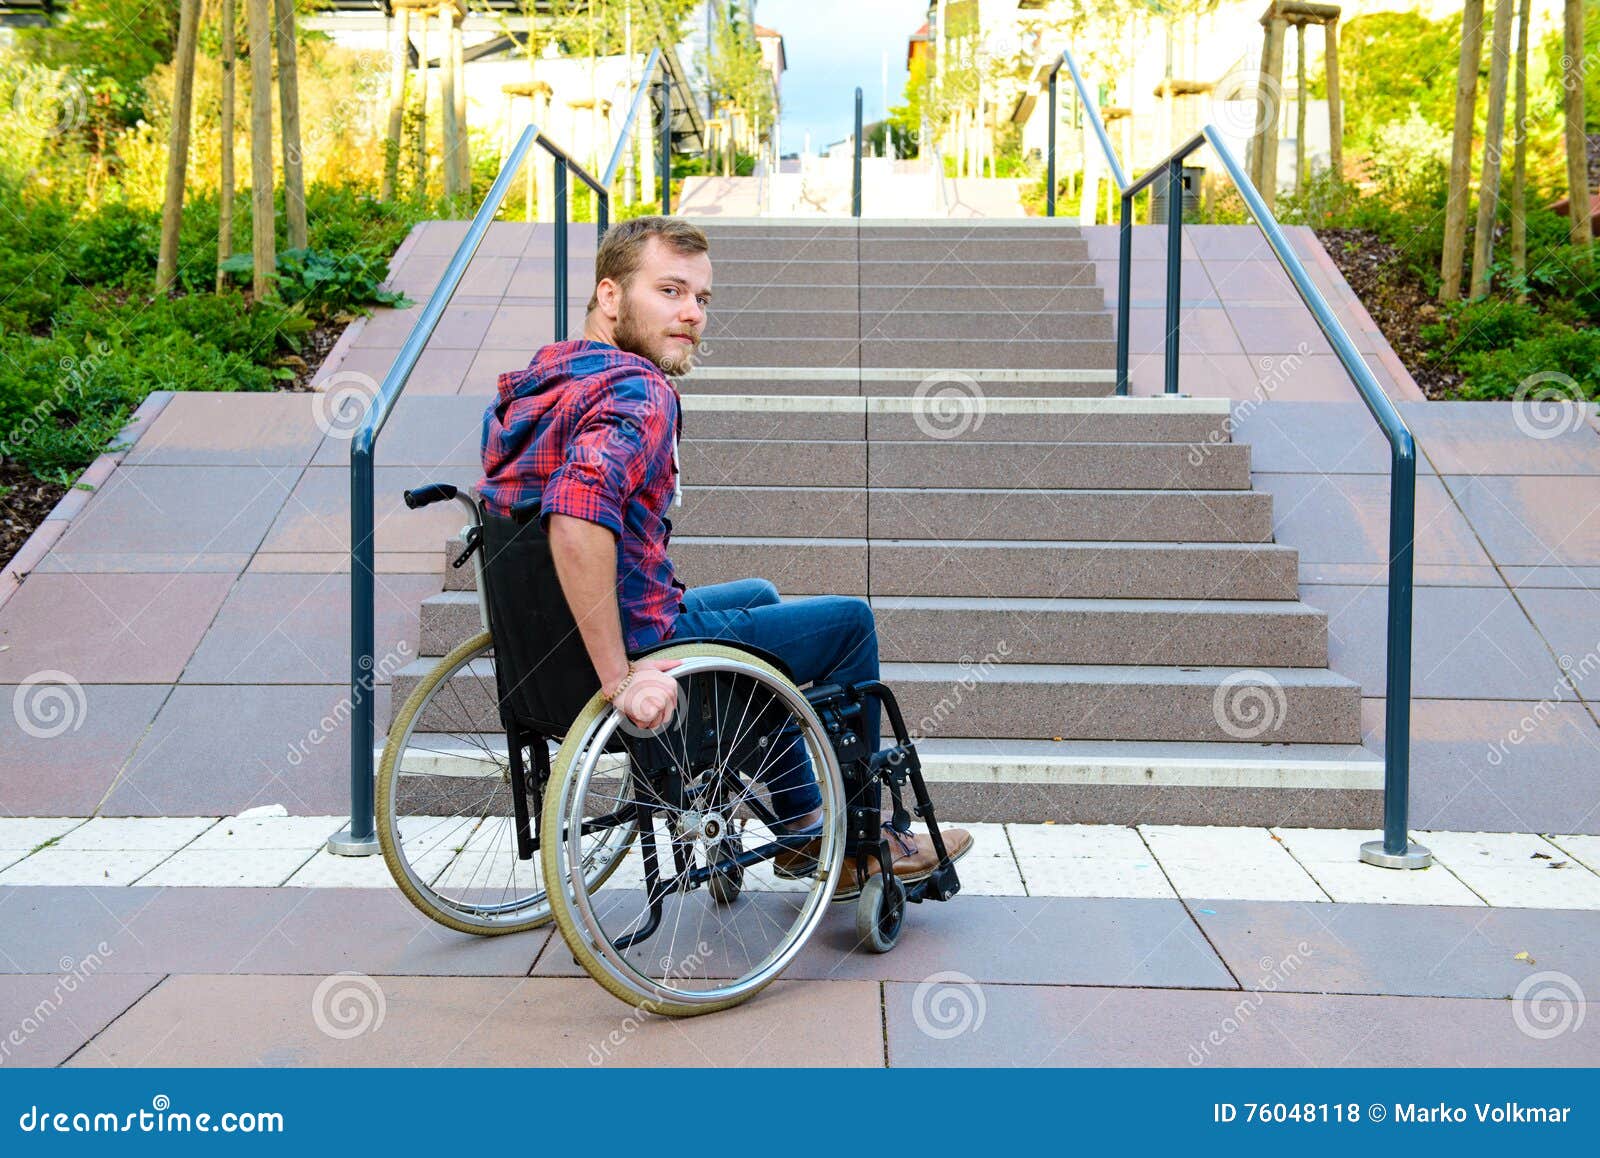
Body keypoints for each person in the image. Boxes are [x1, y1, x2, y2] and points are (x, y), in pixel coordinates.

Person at [478, 216, 971, 896]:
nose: (691, 314)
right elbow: (573, 519)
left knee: (760, 596)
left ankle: (802, 818)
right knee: (850, 622)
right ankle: (861, 844)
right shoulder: (638, 393)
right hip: (640, 643)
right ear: (611, 296)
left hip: (543, 655)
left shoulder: (540, 384)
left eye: (702, 299)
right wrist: (620, 679)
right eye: (671, 291)